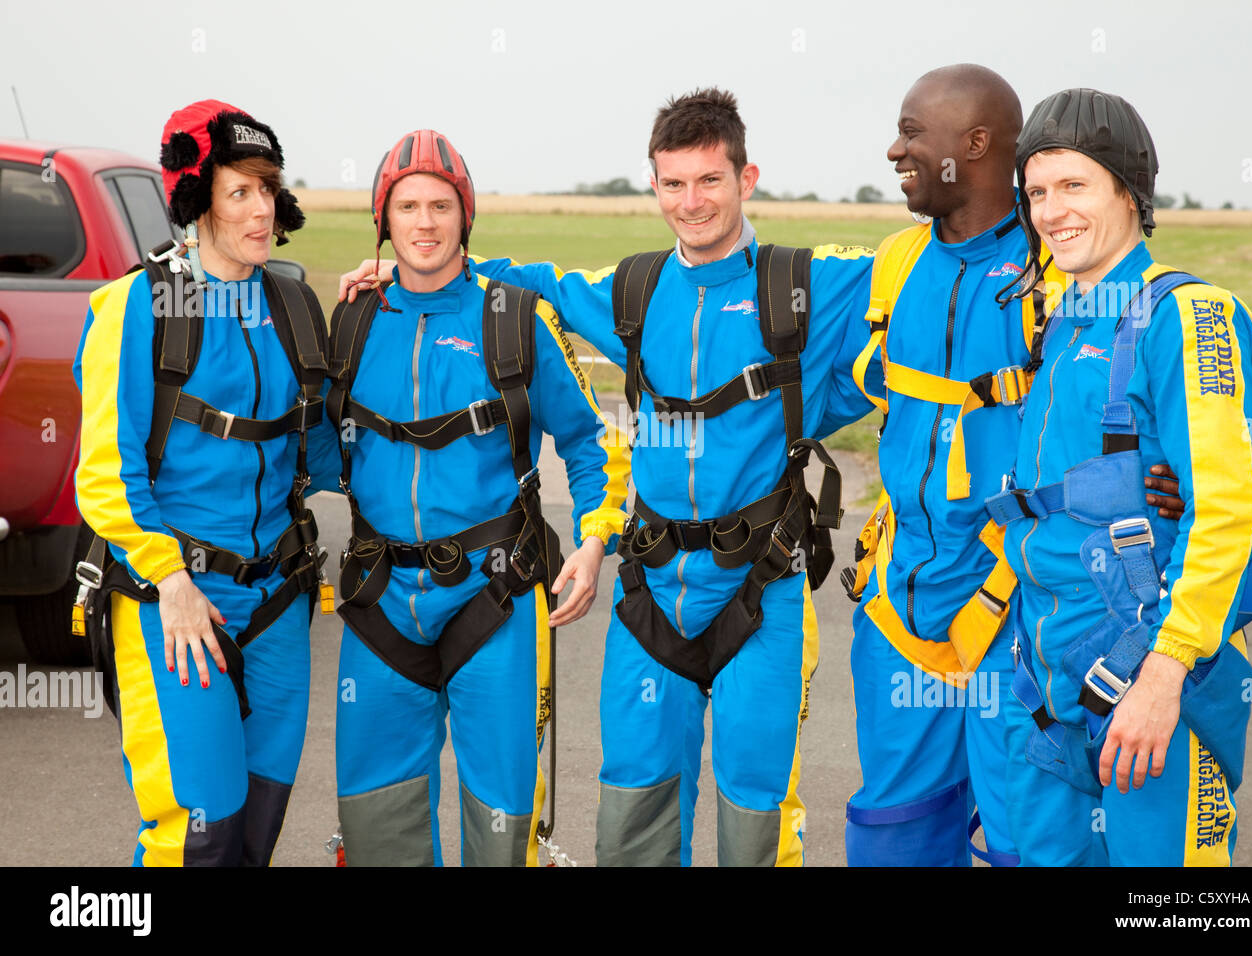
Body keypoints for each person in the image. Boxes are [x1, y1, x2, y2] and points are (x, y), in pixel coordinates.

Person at [342, 88, 873, 866]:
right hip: (650, 590)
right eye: (672, 183)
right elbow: (534, 284)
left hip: (763, 591)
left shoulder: (806, 284)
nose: (691, 203)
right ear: (652, 185)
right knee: (631, 812)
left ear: (746, 178)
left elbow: (926, 269)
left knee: (754, 814)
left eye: (710, 181)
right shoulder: (634, 291)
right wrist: (421, 255)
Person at [841, 65, 1187, 867]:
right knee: (896, 833)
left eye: (911, 132)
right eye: (1048, 187)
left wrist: (1156, 480)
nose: (894, 148)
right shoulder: (893, 263)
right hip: (902, 610)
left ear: (974, 144)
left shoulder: (1068, 272)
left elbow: (1139, 388)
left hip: (1022, 617)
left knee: (1032, 844)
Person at [329, 129, 630, 866]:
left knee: (502, 827)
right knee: (376, 829)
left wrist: (594, 546)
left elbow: (593, 443)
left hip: (493, 600)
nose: (425, 223)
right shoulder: (353, 321)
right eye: (407, 207)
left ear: (466, 216)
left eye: (441, 205)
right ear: (384, 220)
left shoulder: (516, 320)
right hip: (378, 601)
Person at [984, 88, 1252, 865]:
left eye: (1074, 185)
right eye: (1036, 192)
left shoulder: (1185, 316)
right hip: (1045, 688)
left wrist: (1163, 677)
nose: (1050, 211)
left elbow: (1227, 512)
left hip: (1152, 687)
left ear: (1129, 191)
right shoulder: (1058, 317)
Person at [73, 100, 340, 865]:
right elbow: (106, 476)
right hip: (177, 603)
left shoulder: (290, 301)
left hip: (280, 602)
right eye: (240, 192)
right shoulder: (141, 306)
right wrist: (170, 581)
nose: (262, 210)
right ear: (197, 199)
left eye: (269, 189)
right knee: (200, 832)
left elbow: (323, 454)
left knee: (256, 833)